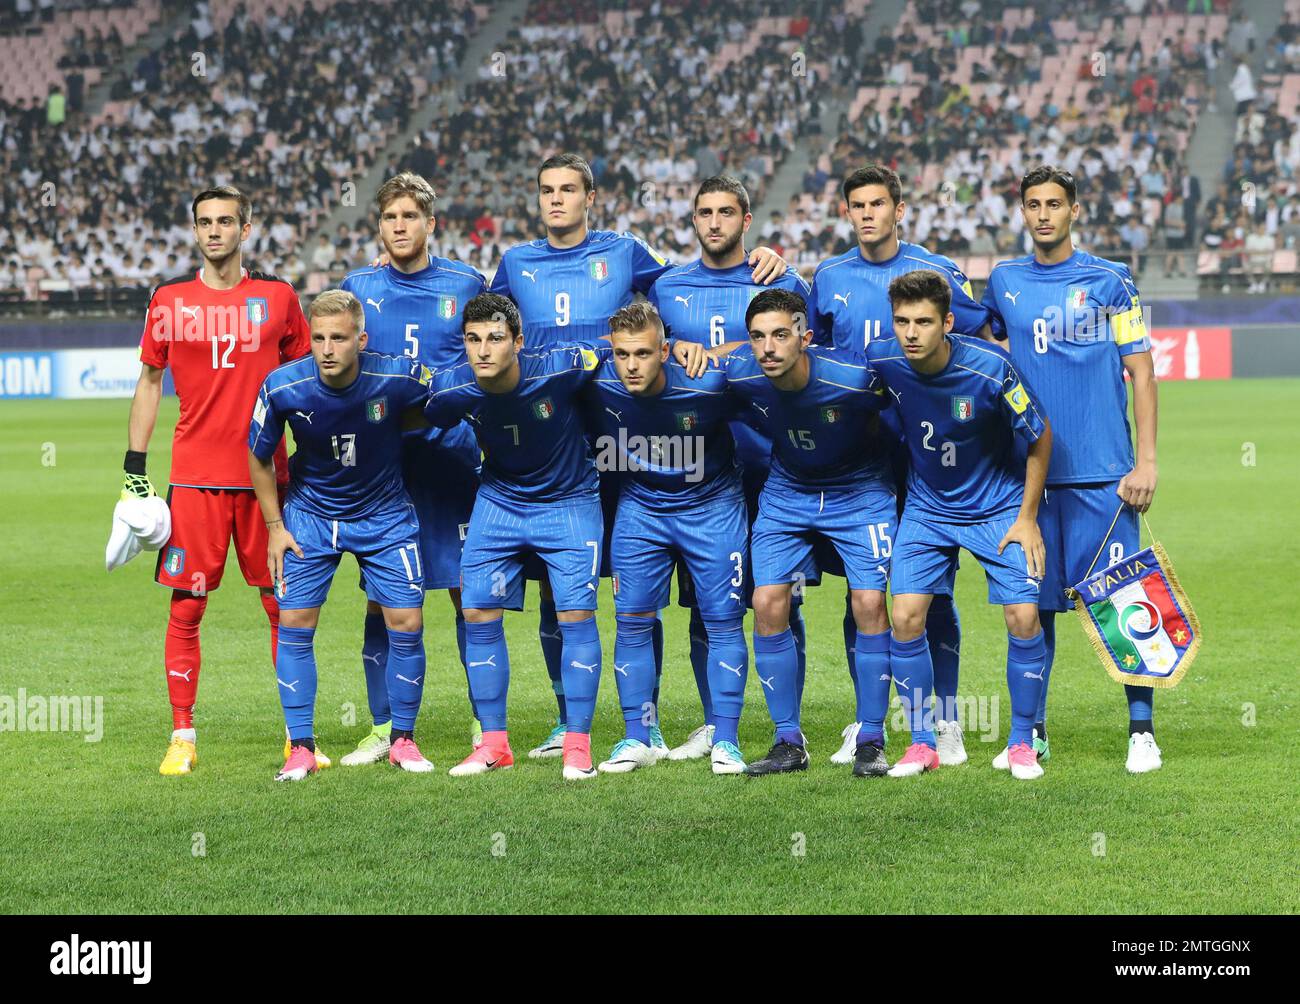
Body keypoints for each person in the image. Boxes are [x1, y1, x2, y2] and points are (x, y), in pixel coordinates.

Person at [485, 153, 786, 759]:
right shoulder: (515, 263)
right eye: (547, 190)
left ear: (590, 197)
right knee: (564, 592)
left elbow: (680, 292)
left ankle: (721, 726)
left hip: (637, 441)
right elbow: (482, 319)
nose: (556, 199)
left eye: (568, 189)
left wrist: (772, 261)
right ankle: (584, 721)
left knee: (721, 595)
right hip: (562, 448)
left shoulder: (628, 253)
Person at [422, 293, 705, 780]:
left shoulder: (563, 365)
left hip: (569, 501)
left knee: (576, 615)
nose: (484, 350)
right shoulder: (453, 387)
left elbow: (621, 349)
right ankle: (493, 743)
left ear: (518, 342)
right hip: (499, 501)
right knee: (476, 610)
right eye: (473, 340)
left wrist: (674, 344)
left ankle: (577, 743)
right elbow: (417, 414)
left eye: (495, 339)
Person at [808, 164, 992, 766]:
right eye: (856, 204)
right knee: (860, 595)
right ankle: (868, 721)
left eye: (878, 203)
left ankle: (944, 721)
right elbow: (813, 351)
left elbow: (981, 339)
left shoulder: (936, 271)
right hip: (855, 456)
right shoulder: (830, 275)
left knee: (930, 594)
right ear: (847, 212)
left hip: (921, 450)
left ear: (899, 209)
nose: (867, 214)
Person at [126, 185, 312, 776]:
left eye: (225, 221)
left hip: (266, 482)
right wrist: (134, 466)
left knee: (282, 607)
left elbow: (305, 379)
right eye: (205, 222)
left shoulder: (278, 297)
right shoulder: (168, 301)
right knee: (187, 608)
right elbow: (150, 382)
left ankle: (297, 736)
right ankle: (183, 735)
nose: (214, 231)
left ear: (245, 228)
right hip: (194, 481)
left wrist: (310, 457)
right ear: (195, 230)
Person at [981, 165, 1162, 774]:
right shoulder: (1002, 282)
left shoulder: (1112, 281)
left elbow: (1141, 371)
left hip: (1105, 476)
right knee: (1035, 610)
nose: (1042, 214)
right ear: (1023, 211)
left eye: (1054, 203)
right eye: (1032, 204)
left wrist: (1146, 461)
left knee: (1124, 604)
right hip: (1030, 482)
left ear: (1074, 210)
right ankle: (1032, 733)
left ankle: (1141, 731)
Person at [646, 174, 813, 761]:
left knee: (780, 600)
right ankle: (720, 724)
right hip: (700, 468)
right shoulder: (666, 287)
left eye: (725, 213)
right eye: (703, 213)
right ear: (693, 221)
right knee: (705, 603)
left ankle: (786, 727)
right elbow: (642, 350)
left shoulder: (779, 280)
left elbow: (809, 352)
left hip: (775, 464)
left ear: (746, 220)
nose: (713, 223)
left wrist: (715, 354)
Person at [868, 269, 1052, 781]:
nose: (910, 333)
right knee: (904, 616)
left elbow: (1040, 437)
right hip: (927, 509)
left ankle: (1021, 742)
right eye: (902, 321)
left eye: (923, 322)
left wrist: (1028, 517)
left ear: (947, 322)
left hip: (997, 508)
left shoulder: (992, 369)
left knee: (1022, 616)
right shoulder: (884, 360)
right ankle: (922, 742)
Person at [249, 289, 436, 781]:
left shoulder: (395, 377)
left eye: (339, 338)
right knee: (295, 625)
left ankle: (403, 740)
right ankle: (301, 747)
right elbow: (258, 455)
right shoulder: (283, 386)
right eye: (319, 338)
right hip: (311, 516)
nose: (327, 348)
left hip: (385, 514)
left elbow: (436, 406)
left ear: (361, 339)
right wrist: (274, 528)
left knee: (406, 623)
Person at [337, 172, 486, 764]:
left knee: (465, 596)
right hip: (385, 469)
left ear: (431, 223)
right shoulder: (359, 284)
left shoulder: (466, 282)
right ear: (379, 226)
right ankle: (386, 728)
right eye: (389, 218)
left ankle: (485, 723)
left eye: (409, 216)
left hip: (451, 460)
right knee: (382, 599)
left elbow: (489, 353)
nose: (399, 226)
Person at [715, 289, 895, 778]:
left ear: (805, 335)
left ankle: (872, 738)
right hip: (789, 490)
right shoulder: (745, 374)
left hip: (860, 490)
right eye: (757, 337)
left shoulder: (856, 380)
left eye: (780, 334)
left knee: (870, 605)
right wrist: (697, 352)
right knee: (768, 602)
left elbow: (912, 402)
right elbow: (709, 370)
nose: (768, 347)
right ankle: (788, 741)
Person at [583, 302, 751, 774]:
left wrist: (695, 348)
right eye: (622, 354)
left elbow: (757, 351)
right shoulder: (599, 381)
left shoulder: (709, 382)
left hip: (712, 506)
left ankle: (727, 739)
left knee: (722, 622)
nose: (632, 365)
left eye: (643, 353)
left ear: (664, 351)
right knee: (632, 621)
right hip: (642, 508)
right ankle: (639, 736)